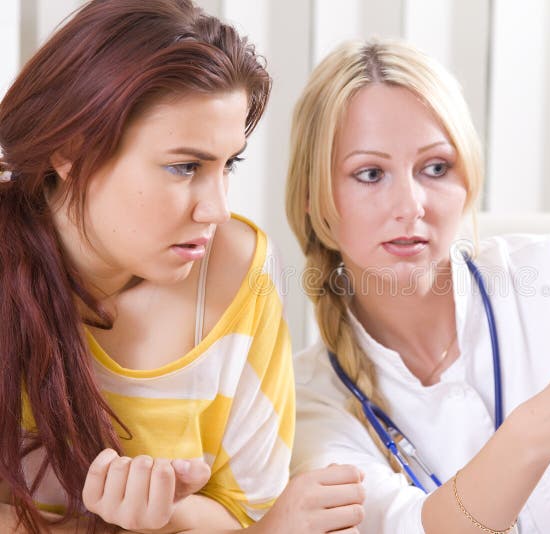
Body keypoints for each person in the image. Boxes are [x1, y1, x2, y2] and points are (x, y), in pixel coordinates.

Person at [0, 1, 364, 533]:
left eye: (228, 164)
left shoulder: (241, 277)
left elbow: (248, 514)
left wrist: (167, 512)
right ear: (69, 151)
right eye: (184, 167)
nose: (216, 209)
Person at [286, 38, 550, 534]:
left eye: (435, 168)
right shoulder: (309, 402)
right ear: (312, 195)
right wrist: (533, 434)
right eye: (370, 173)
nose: (411, 205)